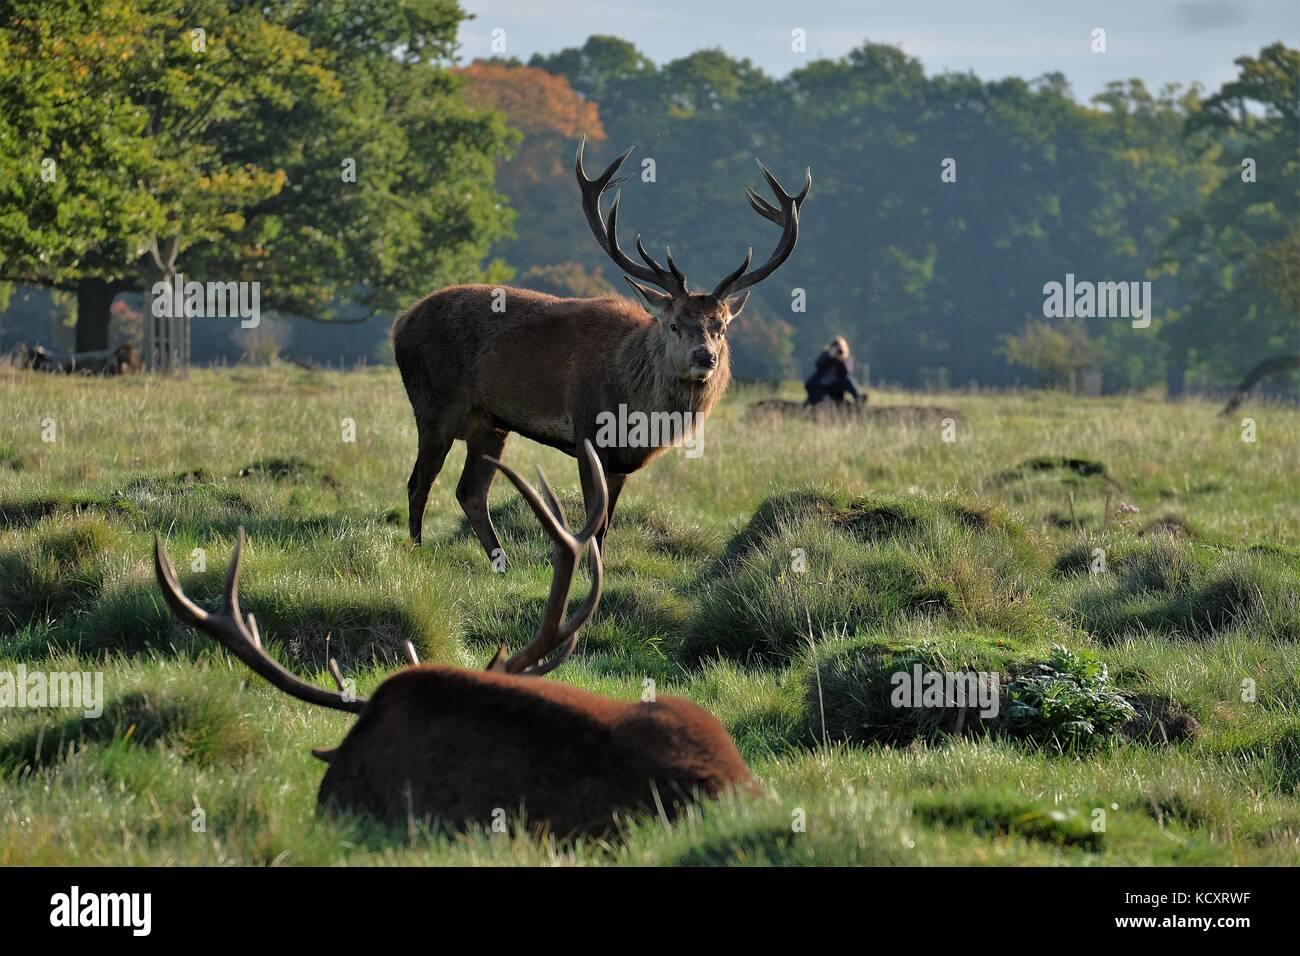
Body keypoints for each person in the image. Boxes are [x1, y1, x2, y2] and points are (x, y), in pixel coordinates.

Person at [804, 336, 864, 405]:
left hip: (835, 386)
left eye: (838, 348)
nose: (836, 350)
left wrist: (840, 360)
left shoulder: (845, 358)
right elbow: (818, 365)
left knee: (848, 380)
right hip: (821, 386)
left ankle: (858, 397)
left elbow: (846, 374)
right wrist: (829, 357)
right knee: (820, 401)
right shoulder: (826, 354)